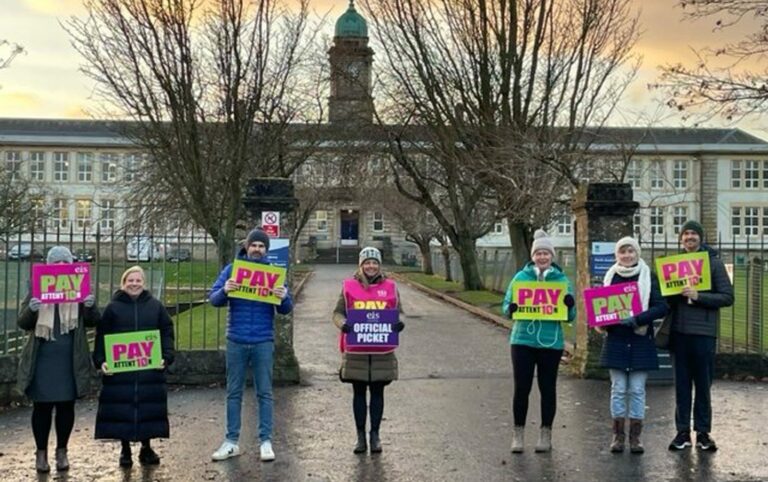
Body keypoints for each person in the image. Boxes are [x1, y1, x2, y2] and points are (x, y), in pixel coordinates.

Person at [209, 228, 292, 463]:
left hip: (263, 340)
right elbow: (213, 299)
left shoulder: (274, 273)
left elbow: (286, 309)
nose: (257, 249)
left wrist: (284, 297)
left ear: (266, 250)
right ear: (246, 247)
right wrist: (225, 290)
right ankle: (231, 441)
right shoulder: (232, 270)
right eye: (253, 245)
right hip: (236, 338)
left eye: (261, 246)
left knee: (264, 392)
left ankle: (265, 441)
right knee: (233, 392)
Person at [16, 246, 99, 473]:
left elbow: (93, 321)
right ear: (50, 265)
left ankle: (62, 451)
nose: (61, 266)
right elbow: (22, 322)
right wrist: (32, 309)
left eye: (65, 262)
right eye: (57, 262)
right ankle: (41, 453)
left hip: (70, 359)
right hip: (42, 359)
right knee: (41, 408)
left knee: (66, 407)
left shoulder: (79, 287)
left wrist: (90, 306)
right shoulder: (37, 286)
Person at [93, 265, 175, 467]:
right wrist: (101, 361)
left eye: (138, 280)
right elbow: (101, 336)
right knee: (123, 410)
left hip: (149, 370)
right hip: (121, 371)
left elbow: (167, 332)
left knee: (147, 408)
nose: (134, 284)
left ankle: (146, 447)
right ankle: (125, 450)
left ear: (143, 283)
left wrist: (166, 357)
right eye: (130, 280)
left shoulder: (156, 307)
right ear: (123, 283)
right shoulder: (112, 308)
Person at [502, 229, 576, 453]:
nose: (542, 257)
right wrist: (511, 308)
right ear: (533, 256)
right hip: (522, 340)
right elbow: (506, 307)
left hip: (550, 343)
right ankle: (518, 434)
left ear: (552, 256)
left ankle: (546, 433)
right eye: (538, 253)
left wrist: (569, 305)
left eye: (546, 253)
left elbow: (570, 316)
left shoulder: (561, 280)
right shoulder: (520, 278)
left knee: (548, 388)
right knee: (521, 388)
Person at [666, 220, 733, 452]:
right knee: (681, 386)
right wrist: (670, 294)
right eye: (685, 234)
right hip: (679, 332)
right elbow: (664, 300)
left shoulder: (714, 263)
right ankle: (682, 432)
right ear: (681, 239)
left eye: (694, 233)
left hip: (704, 333)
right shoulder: (674, 265)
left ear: (700, 237)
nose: (689, 237)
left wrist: (698, 296)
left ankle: (703, 433)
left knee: (703, 385)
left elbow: (727, 297)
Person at [597, 237, 668, 454]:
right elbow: (601, 308)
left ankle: (635, 438)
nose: (627, 255)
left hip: (640, 339)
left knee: (637, 389)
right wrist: (602, 321)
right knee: (618, 388)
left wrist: (638, 319)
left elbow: (661, 307)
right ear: (617, 255)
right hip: (616, 339)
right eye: (622, 252)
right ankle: (618, 436)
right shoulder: (610, 277)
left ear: (637, 253)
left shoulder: (649, 277)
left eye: (631, 251)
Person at [332, 246, 404, 454]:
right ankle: (360, 437)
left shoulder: (391, 287)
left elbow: (399, 312)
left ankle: (375, 435)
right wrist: (343, 324)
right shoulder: (348, 286)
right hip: (357, 350)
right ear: (361, 265)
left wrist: (399, 323)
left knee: (378, 393)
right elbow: (337, 313)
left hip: (382, 350)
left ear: (379, 265)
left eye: (374, 262)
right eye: (367, 263)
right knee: (358, 393)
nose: (371, 266)